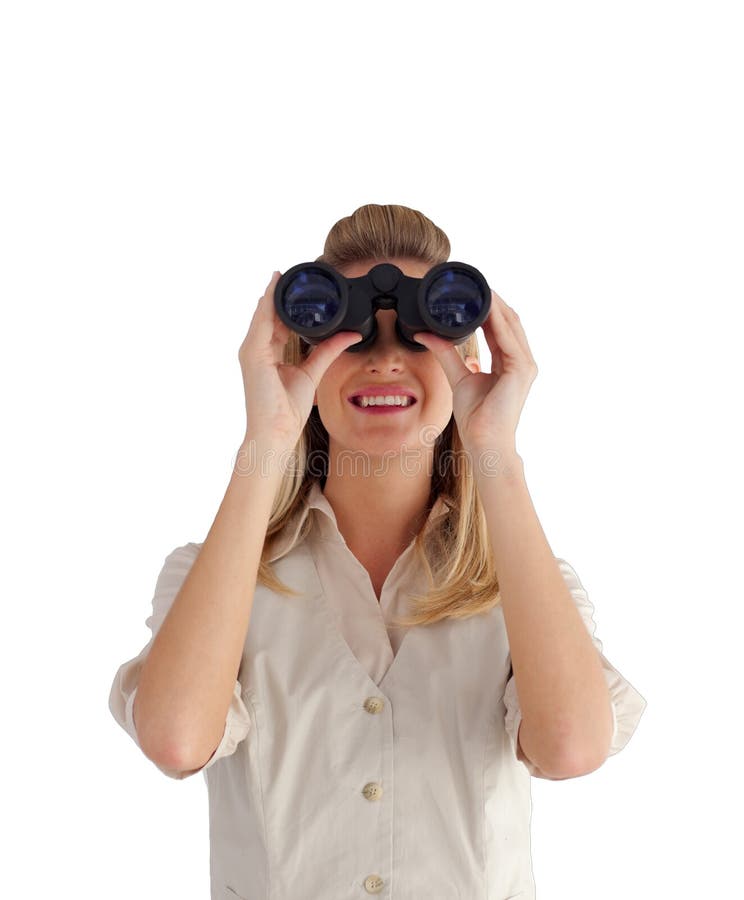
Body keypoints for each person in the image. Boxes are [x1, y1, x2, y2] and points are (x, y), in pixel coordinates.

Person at [109, 203, 646, 899]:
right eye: (352, 335)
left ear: (466, 359)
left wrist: (495, 452)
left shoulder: (523, 582)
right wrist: (267, 441)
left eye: (420, 335)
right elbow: (177, 742)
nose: (387, 357)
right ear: (304, 357)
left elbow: (572, 749)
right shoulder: (216, 576)